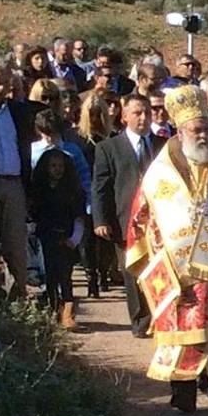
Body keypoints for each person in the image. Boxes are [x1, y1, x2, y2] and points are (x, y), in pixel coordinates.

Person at [123, 86, 208, 412]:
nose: (204, 135)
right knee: (182, 334)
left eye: (207, 128)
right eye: (197, 129)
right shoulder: (161, 170)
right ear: (181, 131)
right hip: (178, 266)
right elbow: (142, 213)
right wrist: (150, 250)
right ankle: (183, 394)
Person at [91, 92, 156, 335]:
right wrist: (101, 220)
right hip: (125, 220)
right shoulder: (109, 148)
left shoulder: (163, 146)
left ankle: (159, 317)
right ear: (125, 116)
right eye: (137, 113)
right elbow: (100, 187)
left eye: (147, 113)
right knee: (132, 271)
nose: (143, 118)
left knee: (158, 270)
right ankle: (141, 321)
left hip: (159, 221)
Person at [27, 146, 85, 326]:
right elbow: (32, 216)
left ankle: (68, 311)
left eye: (60, 166)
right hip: (44, 239)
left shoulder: (73, 191)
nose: (57, 169)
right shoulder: (38, 190)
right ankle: (52, 310)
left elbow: (79, 217)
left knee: (65, 276)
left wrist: (75, 239)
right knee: (49, 276)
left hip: (65, 239)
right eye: (53, 166)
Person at [0, 69, 41, 300]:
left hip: (14, 183)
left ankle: (18, 297)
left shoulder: (18, 112)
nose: (0, 88)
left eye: (4, 83)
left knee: (16, 244)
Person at [76, 87, 118, 299]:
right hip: (84, 193)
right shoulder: (78, 139)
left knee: (106, 241)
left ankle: (103, 272)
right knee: (87, 241)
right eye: (91, 114)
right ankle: (90, 275)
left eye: (98, 113)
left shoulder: (112, 138)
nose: (95, 118)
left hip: (107, 193)